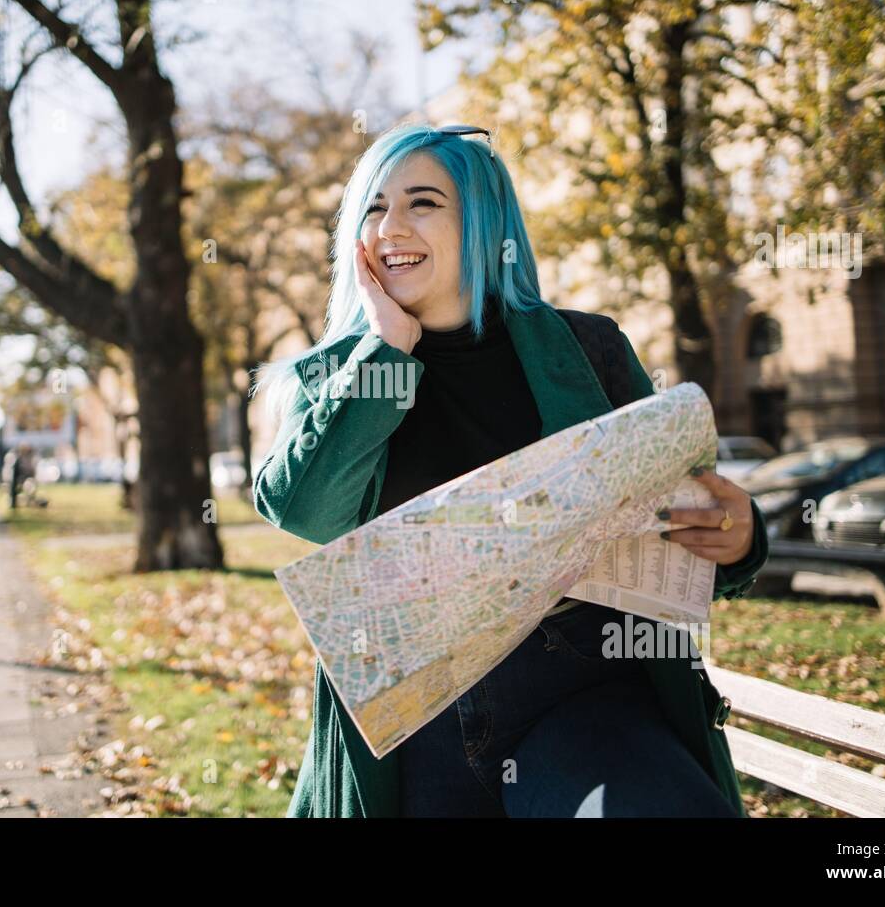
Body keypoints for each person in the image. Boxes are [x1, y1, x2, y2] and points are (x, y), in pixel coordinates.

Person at [249, 122, 770, 818]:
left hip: (583, 695)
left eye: (423, 203)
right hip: (415, 729)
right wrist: (386, 345)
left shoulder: (588, 348)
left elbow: (679, 508)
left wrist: (738, 536)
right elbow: (304, 509)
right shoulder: (338, 375)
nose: (391, 227)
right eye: (373, 208)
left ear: (486, 223)